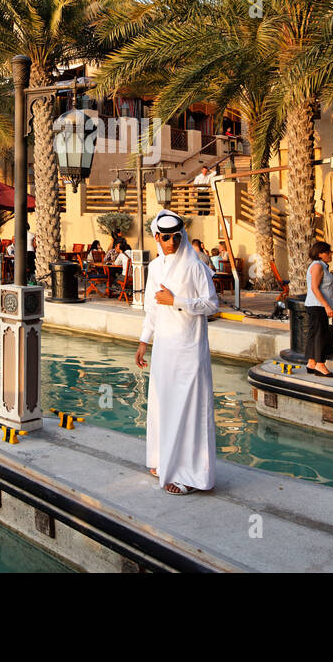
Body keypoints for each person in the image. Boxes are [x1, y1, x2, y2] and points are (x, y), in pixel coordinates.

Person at [134, 210, 219, 496]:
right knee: (162, 404)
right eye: (167, 237)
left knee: (189, 409)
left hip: (189, 349)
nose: (172, 242)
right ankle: (161, 459)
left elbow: (211, 305)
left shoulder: (195, 266)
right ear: (157, 238)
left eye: (177, 237)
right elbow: (151, 308)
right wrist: (144, 340)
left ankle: (190, 475)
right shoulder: (156, 267)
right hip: (164, 349)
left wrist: (177, 301)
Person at [303, 240, 333, 377]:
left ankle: (311, 362)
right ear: (320, 254)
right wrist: (327, 306)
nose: (331, 254)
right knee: (320, 335)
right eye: (329, 252)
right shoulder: (317, 266)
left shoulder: (322, 266)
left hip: (316, 305)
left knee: (314, 334)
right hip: (318, 306)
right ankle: (320, 365)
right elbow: (314, 288)